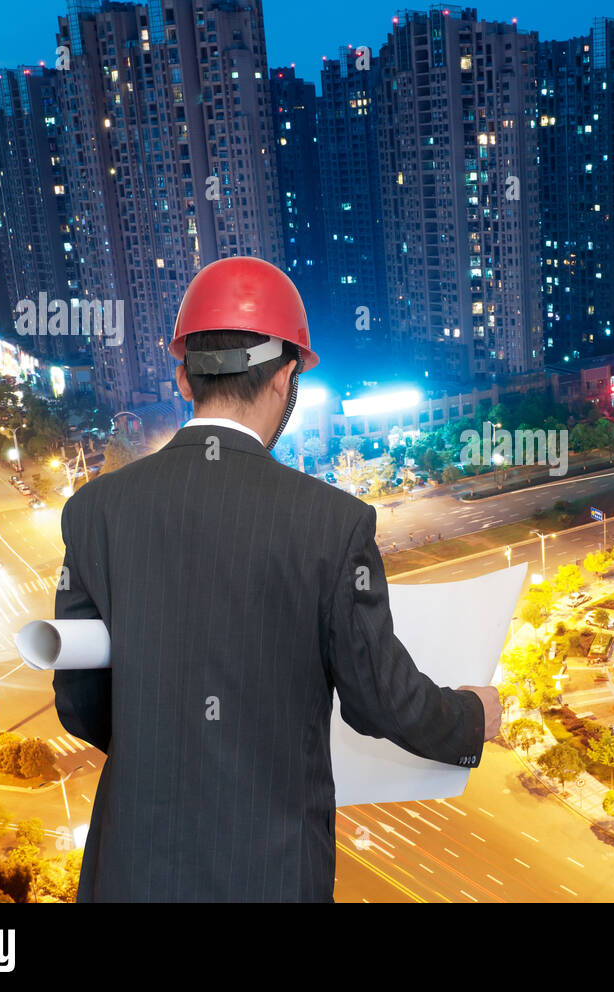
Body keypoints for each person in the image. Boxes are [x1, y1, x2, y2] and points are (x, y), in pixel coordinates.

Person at [51, 257, 501, 902]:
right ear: (287, 376)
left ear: (183, 376)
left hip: (131, 867)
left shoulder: (94, 511)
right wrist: (467, 716)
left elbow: (80, 702)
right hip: (269, 872)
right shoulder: (331, 523)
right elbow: (380, 698)